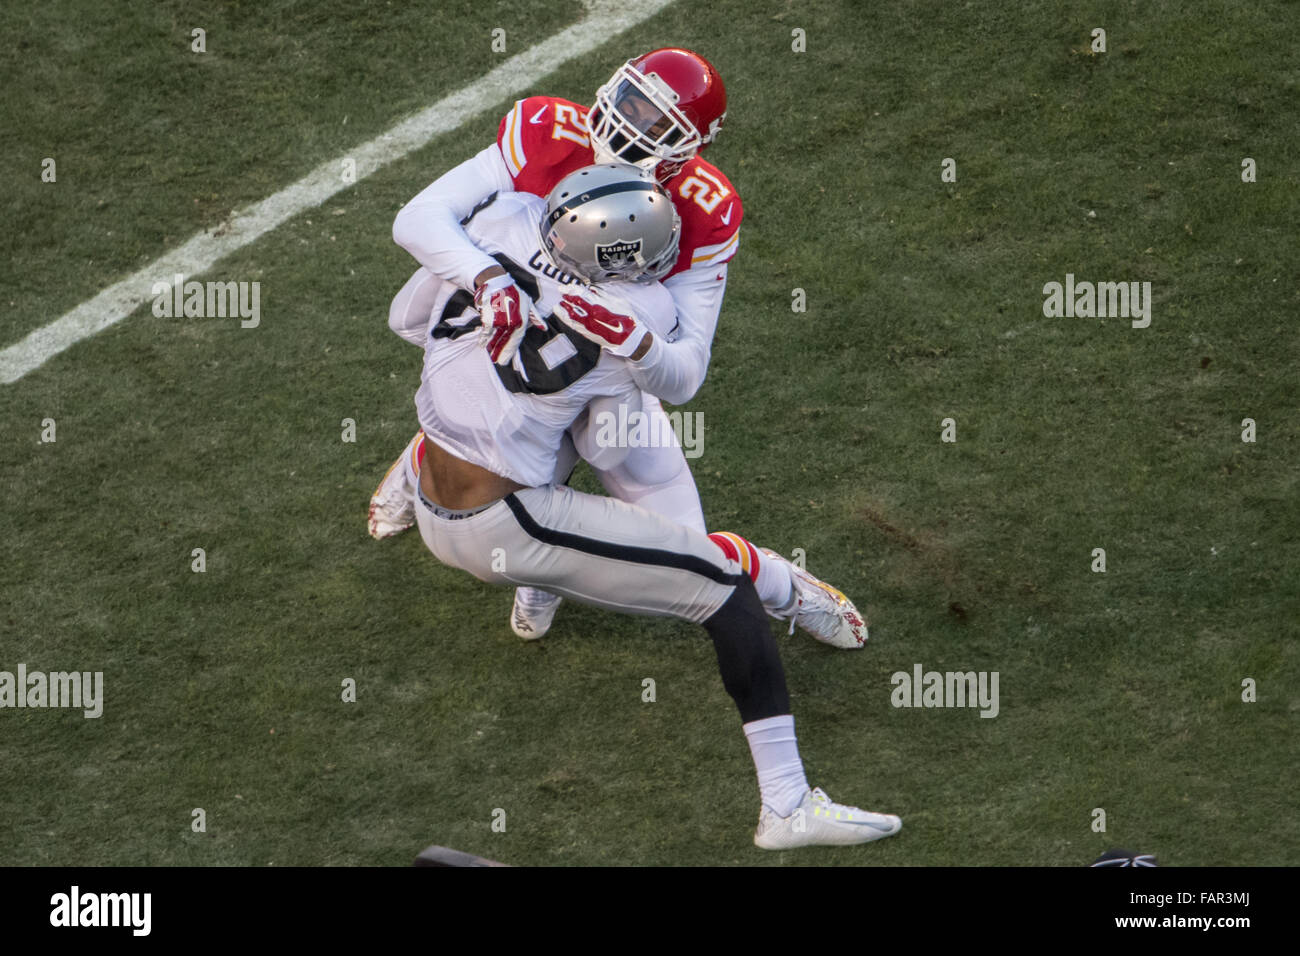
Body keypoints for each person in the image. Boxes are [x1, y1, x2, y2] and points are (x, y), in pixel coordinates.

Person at [407, 163, 899, 848]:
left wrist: (492, 338)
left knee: (545, 428)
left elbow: (406, 319)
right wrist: (621, 355)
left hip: (432, 490)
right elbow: (617, 445)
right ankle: (787, 802)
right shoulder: (642, 313)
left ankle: (538, 586)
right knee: (722, 590)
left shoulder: (496, 225)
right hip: (512, 523)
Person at [372, 48, 753, 640]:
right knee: (430, 330)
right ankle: (431, 453)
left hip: (603, 356)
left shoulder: (707, 212)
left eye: (656, 125)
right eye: (630, 104)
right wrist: (486, 275)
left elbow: (684, 374)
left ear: (690, 145)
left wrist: (636, 342)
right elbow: (419, 218)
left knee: (680, 541)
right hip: (506, 307)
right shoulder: (547, 129)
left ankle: (542, 568)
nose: (629, 127)